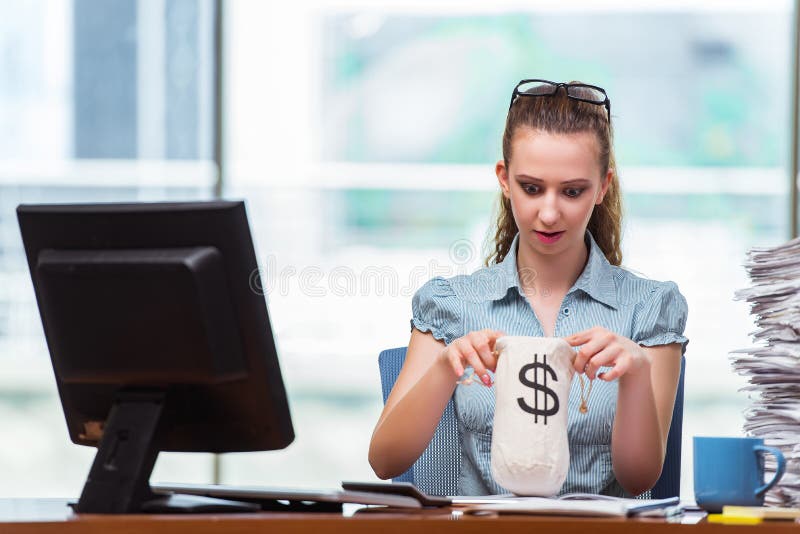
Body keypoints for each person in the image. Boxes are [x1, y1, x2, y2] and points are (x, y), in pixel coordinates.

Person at [368, 79, 689, 497]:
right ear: (504, 179)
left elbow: (639, 478)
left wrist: (636, 374)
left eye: (573, 191)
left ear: (603, 186)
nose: (550, 212)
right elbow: (384, 460)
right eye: (531, 188)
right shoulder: (451, 304)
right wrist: (447, 366)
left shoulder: (649, 308)